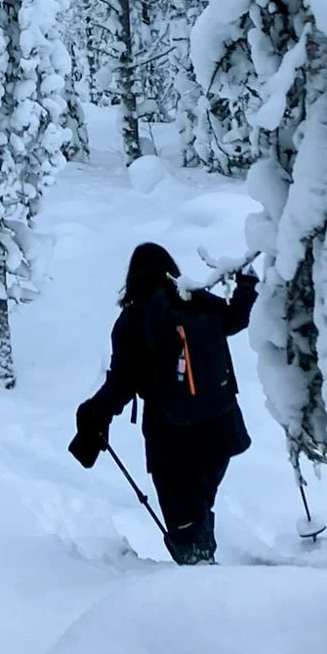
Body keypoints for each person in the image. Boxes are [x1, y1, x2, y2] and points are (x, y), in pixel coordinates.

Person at [71, 241, 256, 565]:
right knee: (201, 503)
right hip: (221, 426)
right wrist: (247, 285)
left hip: (171, 437)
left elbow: (122, 382)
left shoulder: (133, 319)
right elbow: (234, 319)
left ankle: (197, 575)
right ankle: (205, 565)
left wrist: (94, 412)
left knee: (183, 516)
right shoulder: (194, 299)